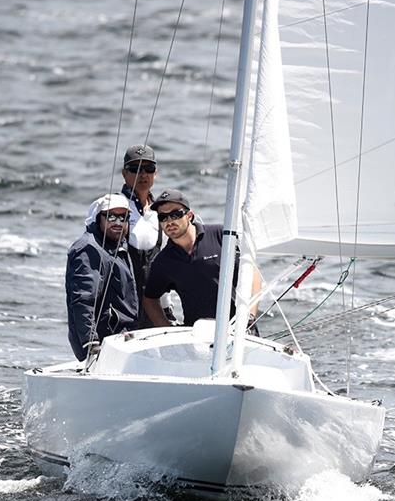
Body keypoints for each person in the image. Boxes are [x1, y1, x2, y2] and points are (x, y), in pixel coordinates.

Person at [142, 189, 261, 330]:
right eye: (163, 217)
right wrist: (166, 328)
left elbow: (252, 272)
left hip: (239, 330)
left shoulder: (221, 235)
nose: (169, 221)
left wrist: (250, 316)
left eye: (175, 215)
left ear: (189, 215)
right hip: (197, 336)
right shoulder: (163, 261)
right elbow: (150, 299)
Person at [65, 193, 138, 361]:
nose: (118, 222)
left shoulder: (118, 245)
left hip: (121, 339)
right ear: (99, 218)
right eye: (111, 216)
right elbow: (83, 299)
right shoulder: (89, 248)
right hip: (102, 344)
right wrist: (90, 342)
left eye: (123, 217)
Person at [119, 144, 173, 327]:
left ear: (155, 173)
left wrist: (167, 309)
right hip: (122, 309)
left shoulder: (162, 212)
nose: (143, 174)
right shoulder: (113, 208)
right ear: (124, 173)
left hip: (155, 308)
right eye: (135, 169)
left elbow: (166, 265)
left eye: (149, 168)